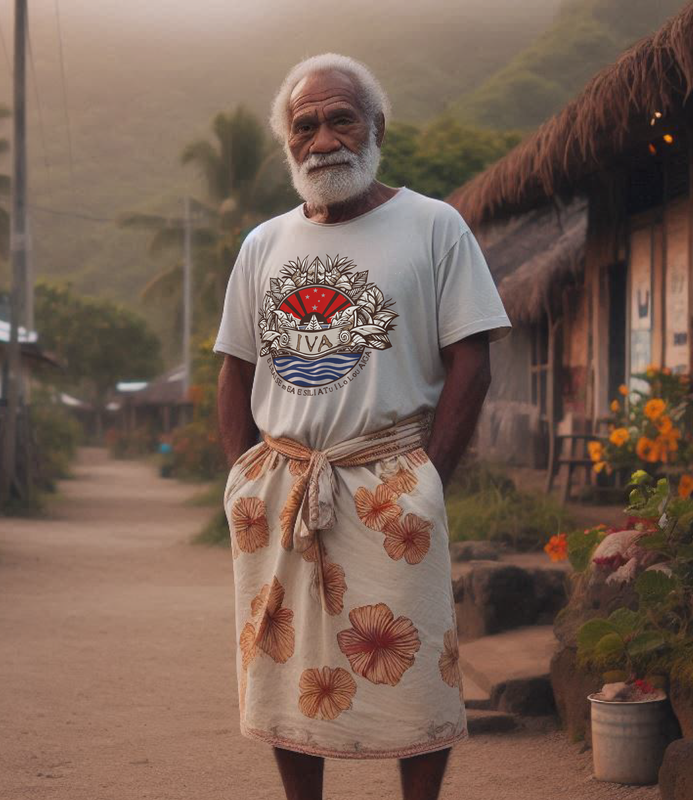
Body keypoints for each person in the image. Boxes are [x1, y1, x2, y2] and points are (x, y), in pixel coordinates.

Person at [214, 53, 511, 800]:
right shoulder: (263, 244)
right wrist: (242, 481)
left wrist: (428, 480)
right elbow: (234, 369)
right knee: (282, 663)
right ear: (289, 142)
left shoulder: (434, 226)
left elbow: (471, 360)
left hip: (390, 483)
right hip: (281, 484)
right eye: (304, 126)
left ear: (377, 126)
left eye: (340, 119)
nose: (322, 141)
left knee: (414, 664)